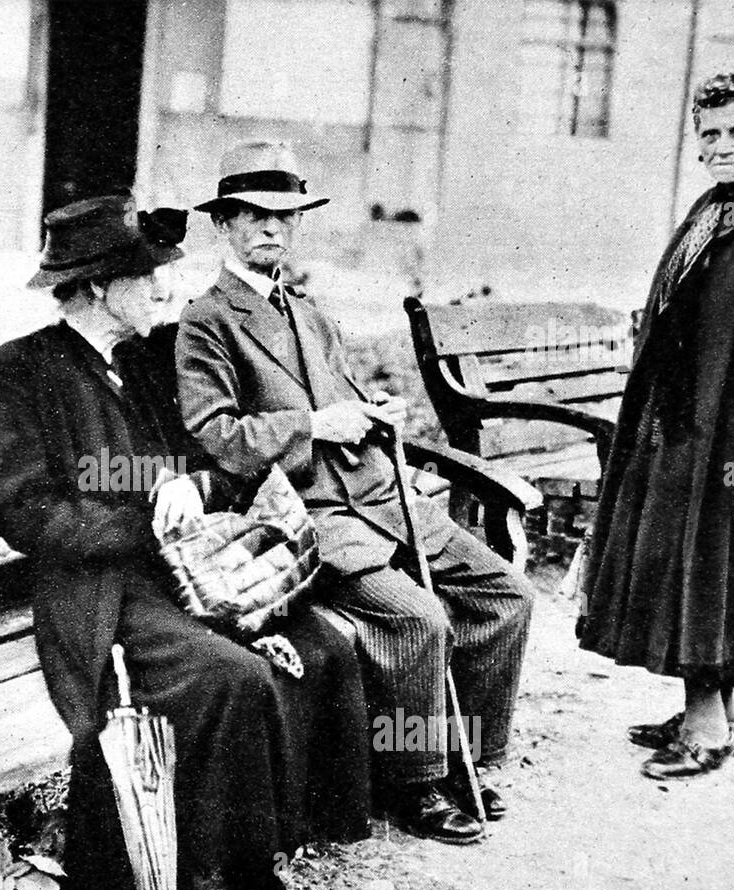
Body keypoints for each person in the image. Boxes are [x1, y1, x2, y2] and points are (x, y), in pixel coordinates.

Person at [0, 194, 373, 890]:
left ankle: (246, 862)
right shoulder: (18, 373)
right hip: (98, 594)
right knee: (230, 675)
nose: (165, 289)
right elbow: (29, 516)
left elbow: (212, 468)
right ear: (98, 286)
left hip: (191, 572)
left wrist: (194, 488)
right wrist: (140, 522)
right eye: (149, 275)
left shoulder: (147, 360)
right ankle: (199, 882)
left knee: (320, 646)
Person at [176, 142, 535, 844]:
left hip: (381, 495)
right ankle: (416, 783)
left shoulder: (310, 312)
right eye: (251, 215)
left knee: (506, 597)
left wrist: (372, 414)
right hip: (307, 514)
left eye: (284, 216)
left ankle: (467, 756)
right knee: (418, 619)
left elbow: (345, 398)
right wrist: (313, 425)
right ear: (223, 226)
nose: (270, 229)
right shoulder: (208, 321)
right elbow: (213, 437)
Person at [578, 70, 734, 779]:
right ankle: (718, 713)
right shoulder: (720, 206)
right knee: (706, 575)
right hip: (692, 429)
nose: (723, 146)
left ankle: (705, 729)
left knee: (712, 573)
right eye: (711, 135)